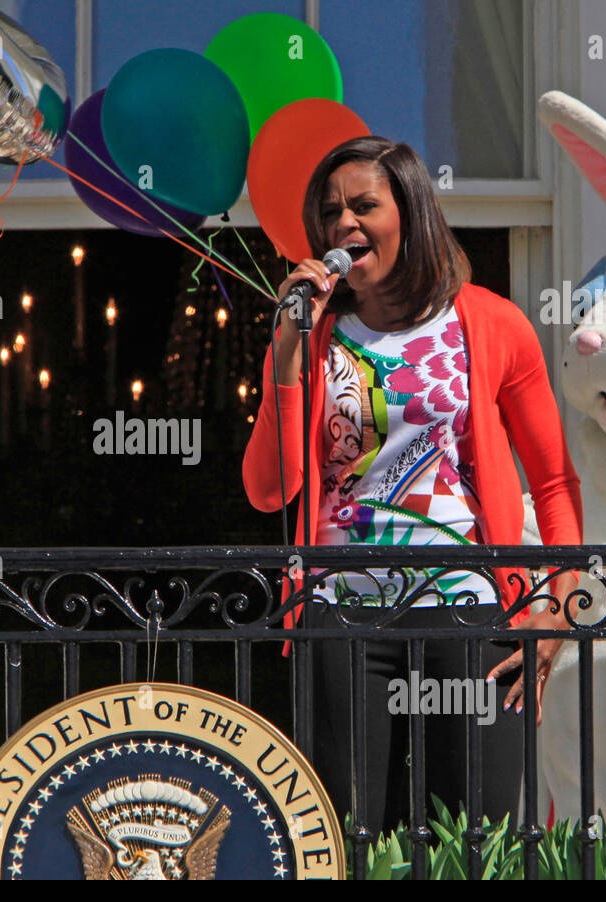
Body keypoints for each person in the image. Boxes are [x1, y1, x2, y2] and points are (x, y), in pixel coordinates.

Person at [242, 136, 582, 835]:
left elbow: (553, 482)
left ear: (414, 213)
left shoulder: (489, 324)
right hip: (341, 614)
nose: (344, 225)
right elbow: (269, 490)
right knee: (342, 835)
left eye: (365, 205)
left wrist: (559, 610)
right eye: (331, 212)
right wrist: (284, 355)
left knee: (472, 836)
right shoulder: (318, 335)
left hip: (467, 611)